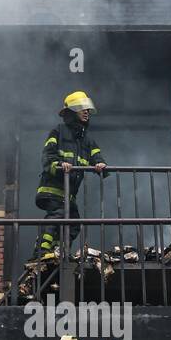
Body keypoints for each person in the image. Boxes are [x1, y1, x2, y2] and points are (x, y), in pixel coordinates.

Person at [33, 90, 107, 259]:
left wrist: (100, 164)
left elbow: (97, 156)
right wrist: (59, 164)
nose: (87, 111)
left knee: (74, 224)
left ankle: (59, 251)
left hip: (68, 196)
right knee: (58, 215)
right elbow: (47, 157)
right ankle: (42, 251)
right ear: (72, 111)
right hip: (52, 190)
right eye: (82, 108)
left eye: (88, 109)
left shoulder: (87, 139)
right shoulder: (58, 132)